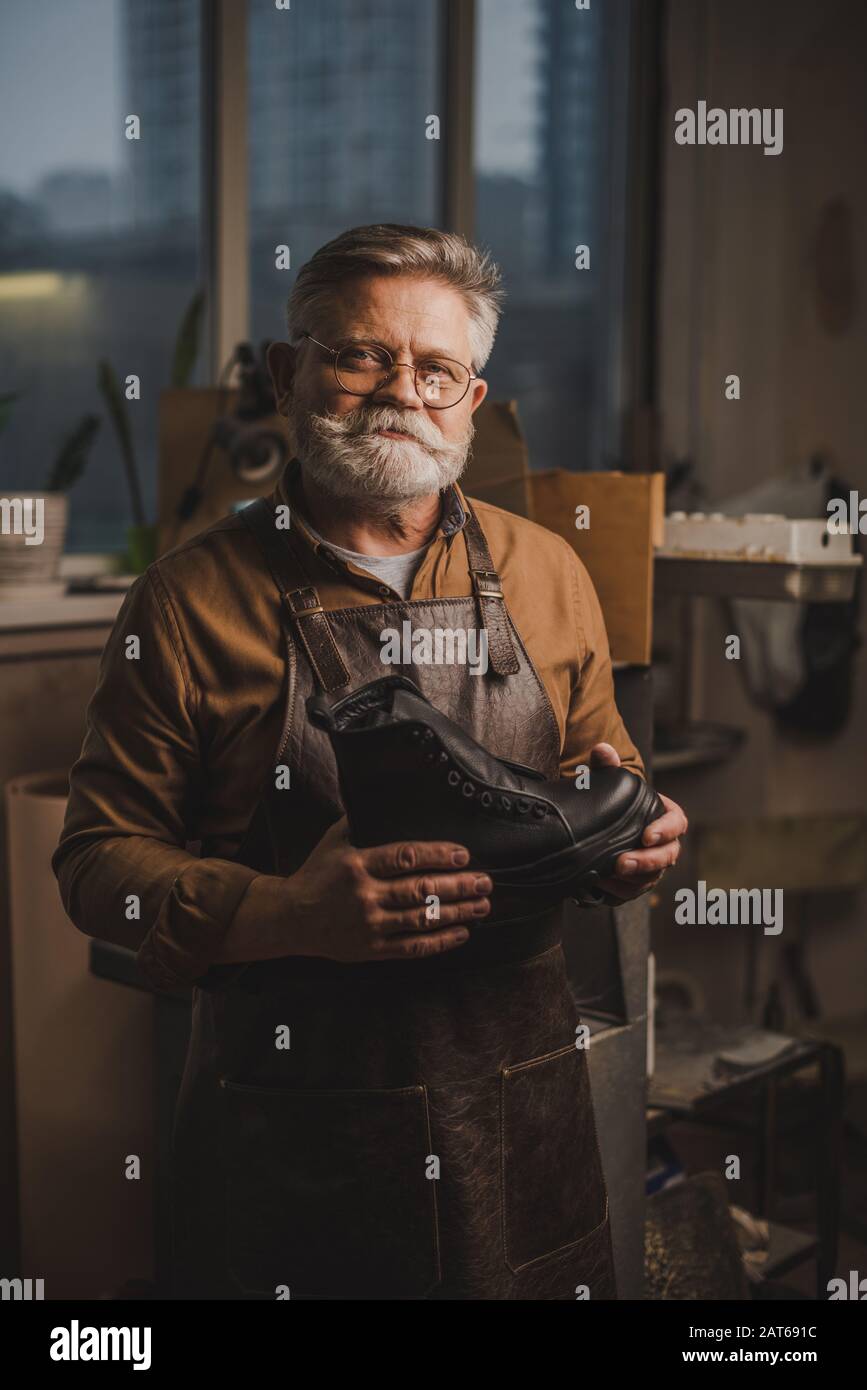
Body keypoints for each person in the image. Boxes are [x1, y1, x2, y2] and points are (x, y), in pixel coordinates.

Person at [53, 224, 687, 1300]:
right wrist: (289, 915)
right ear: (289, 372)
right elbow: (96, 872)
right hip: (291, 1126)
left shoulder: (549, 573)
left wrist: (635, 847)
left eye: (436, 367)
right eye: (360, 355)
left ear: (471, 401)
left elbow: (603, 770)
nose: (402, 390)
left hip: (518, 1107)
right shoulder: (184, 602)